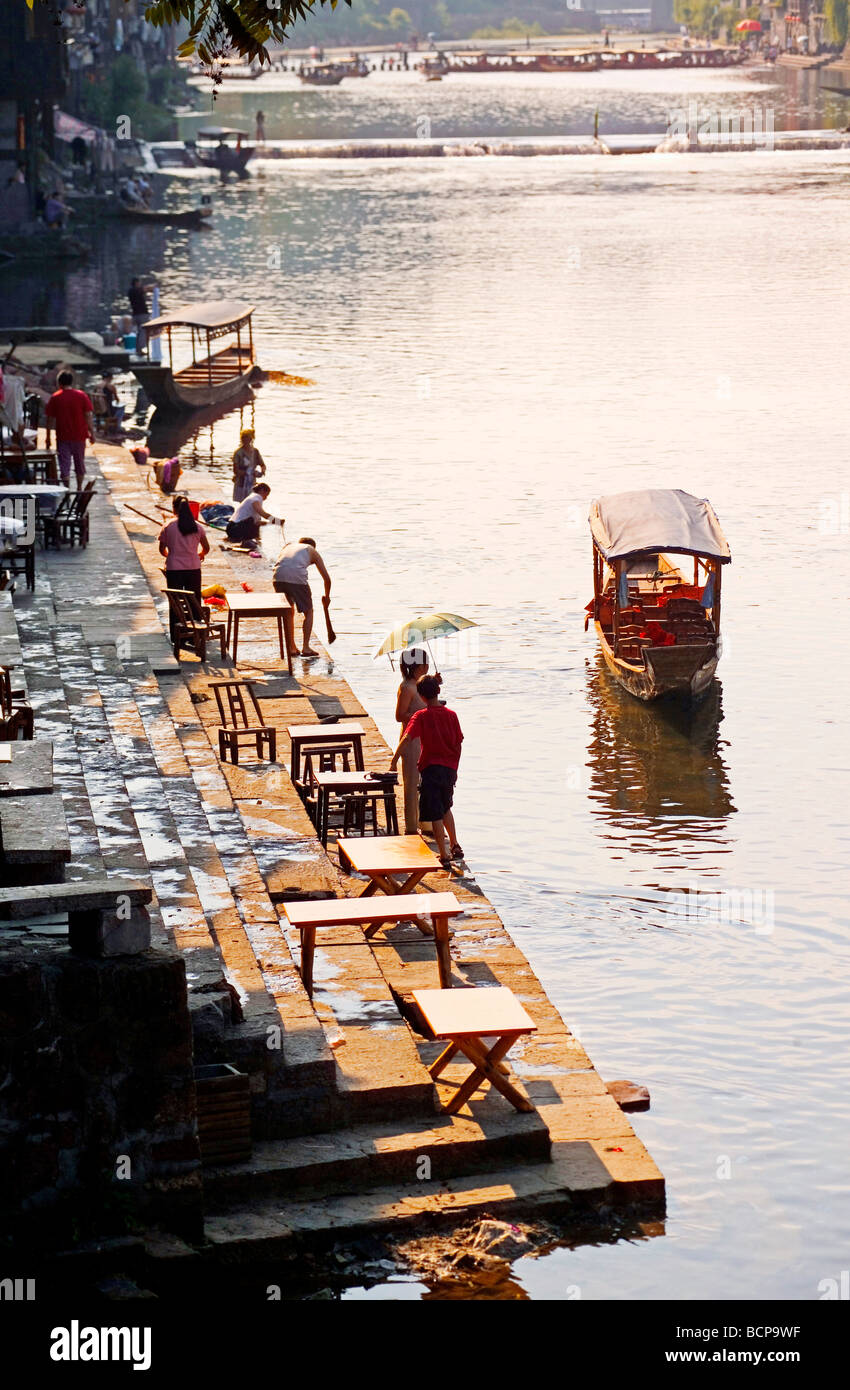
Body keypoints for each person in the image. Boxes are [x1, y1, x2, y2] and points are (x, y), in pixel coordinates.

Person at [390, 675, 463, 868]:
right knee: (446, 806)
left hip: (431, 769)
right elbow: (458, 743)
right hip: (449, 769)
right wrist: (455, 767)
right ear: (438, 692)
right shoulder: (452, 715)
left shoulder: (421, 716)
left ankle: (444, 854)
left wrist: (394, 760)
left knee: (435, 813)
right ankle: (455, 844)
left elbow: (406, 739)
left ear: (421, 697)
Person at [158, 497, 210, 641]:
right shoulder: (197, 526)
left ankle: (177, 636)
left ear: (174, 509)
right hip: (193, 568)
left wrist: (171, 556)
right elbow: (206, 548)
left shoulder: (168, 526)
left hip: (174, 569)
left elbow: (162, 549)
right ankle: (195, 636)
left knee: (175, 602)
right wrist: (200, 554)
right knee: (194, 601)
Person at [272, 536, 331, 657]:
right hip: (296, 577)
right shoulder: (312, 550)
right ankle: (306, 647)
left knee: (288, 612)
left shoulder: (289, 546)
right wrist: (327, 597)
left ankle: (291, 647)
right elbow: (327, 579)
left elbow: (283, 564)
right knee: (308, 611)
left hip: (277, 577)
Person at [395, 646, 429, 834]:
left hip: (423, 739)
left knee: (424, 782)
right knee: (411, 783)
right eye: (426, 665)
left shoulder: (419, 685)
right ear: (420, 666)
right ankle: (411, 826)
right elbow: (400, 715)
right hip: (411, 740)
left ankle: (427, 822)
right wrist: (420, 714)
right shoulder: (407, 687)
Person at [44, 370, 94, 488]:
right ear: (72, 382)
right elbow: (88, 415)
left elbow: (50, 420)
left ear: (58, 383)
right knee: (79, 463)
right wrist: (92, 433)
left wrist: (47, 438)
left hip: (62, 437)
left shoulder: (55, 397)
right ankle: (79, 488)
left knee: (64, 465)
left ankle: (66, 489)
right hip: (79, 436)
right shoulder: (81, 395)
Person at [225, 481, 276, 546]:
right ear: (262, 491)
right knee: (250, 520)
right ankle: (246, 541)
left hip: (232, 528)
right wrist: (277, 521)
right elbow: (263, 514)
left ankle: (248, 540)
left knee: (255, 521)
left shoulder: (253, 496)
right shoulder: (256, 497)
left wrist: (272, 522)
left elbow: (258, 522)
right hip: (235, 529)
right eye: (266, 494)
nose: (266, 498)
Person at [231, 428, 266, 502]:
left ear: (251, 439)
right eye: (243, 438)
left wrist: (262, 471)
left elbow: (262, 465)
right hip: (241, 482)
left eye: (247, 438)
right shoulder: (238, 453)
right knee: (242, 502)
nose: (245, 440)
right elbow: (235, 470)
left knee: (252, 501)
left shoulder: (255, 451)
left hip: (252, 482)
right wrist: (247, 473)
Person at [128, 277, 153, 351]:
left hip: (135, 314)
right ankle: (140, 348)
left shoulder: (130, 291)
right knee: (143, 331)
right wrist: (153, 286)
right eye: (139, 283)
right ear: (137, 283)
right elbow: (146, 289)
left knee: (138, 332)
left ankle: (137, 348)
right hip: (142, 314)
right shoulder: (136, 290)